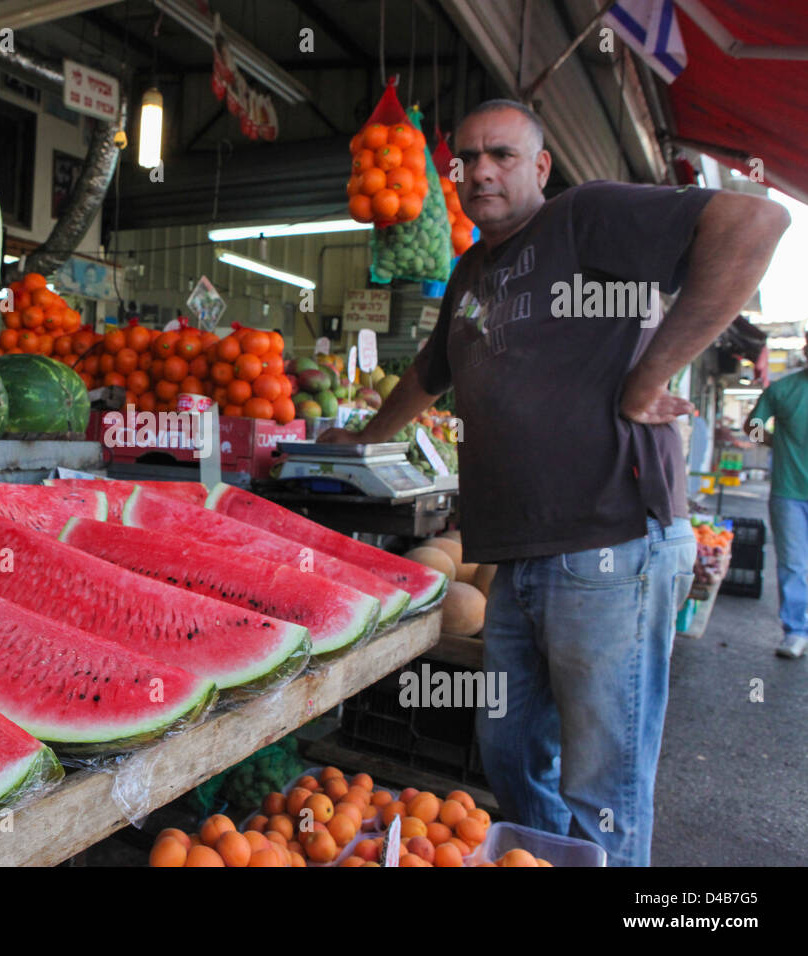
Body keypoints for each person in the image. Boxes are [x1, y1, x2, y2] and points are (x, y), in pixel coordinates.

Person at [319, 99, 789, 866]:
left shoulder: (584, 217)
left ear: (540, 166)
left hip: (611, 545)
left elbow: (754, 225)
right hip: (518, 557)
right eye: (465, 159)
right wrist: (361, 440)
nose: (480, 171)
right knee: (507, 753)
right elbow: (428, 376)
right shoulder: (472, 270)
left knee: (602, 788)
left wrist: (649, 378)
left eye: (501, 155)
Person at [744, 339, 808, 659]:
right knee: (795, 564)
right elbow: (752, 427)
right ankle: (796, 631)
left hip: (789, 494)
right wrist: (776, 443)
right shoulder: (781, 391)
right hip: (789, 493)